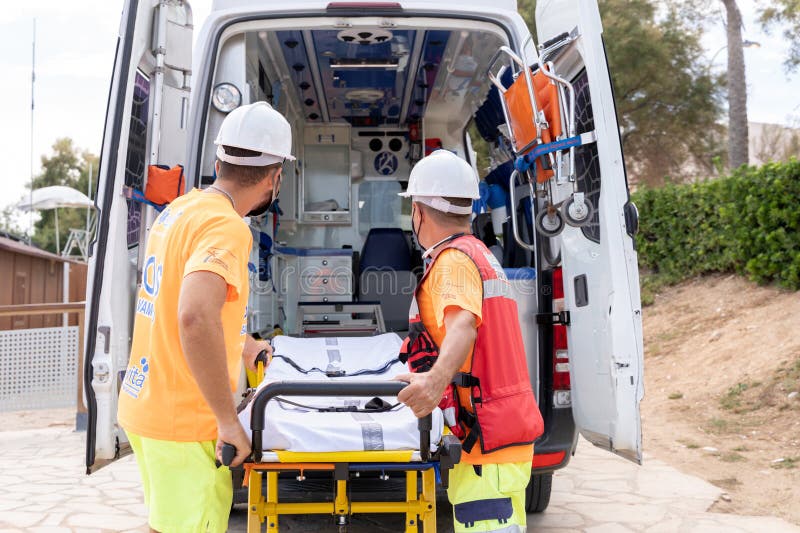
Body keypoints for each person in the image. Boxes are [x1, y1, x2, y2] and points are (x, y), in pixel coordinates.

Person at [117, 101, 294, 533]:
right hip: (185, 420)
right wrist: (227, 420)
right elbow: (195, 315)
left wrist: (244, 344)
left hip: (147, 400)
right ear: (275, 177)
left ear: (219, 161)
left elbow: (178, 298)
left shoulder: (182, 210)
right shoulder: (225, 227)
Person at [396, 150, 544, 533]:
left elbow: (463, 325)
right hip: (498, 433)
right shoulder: (480, 255)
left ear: (419, 211)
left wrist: (434, 382)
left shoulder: (453, 261)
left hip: (487, 444)